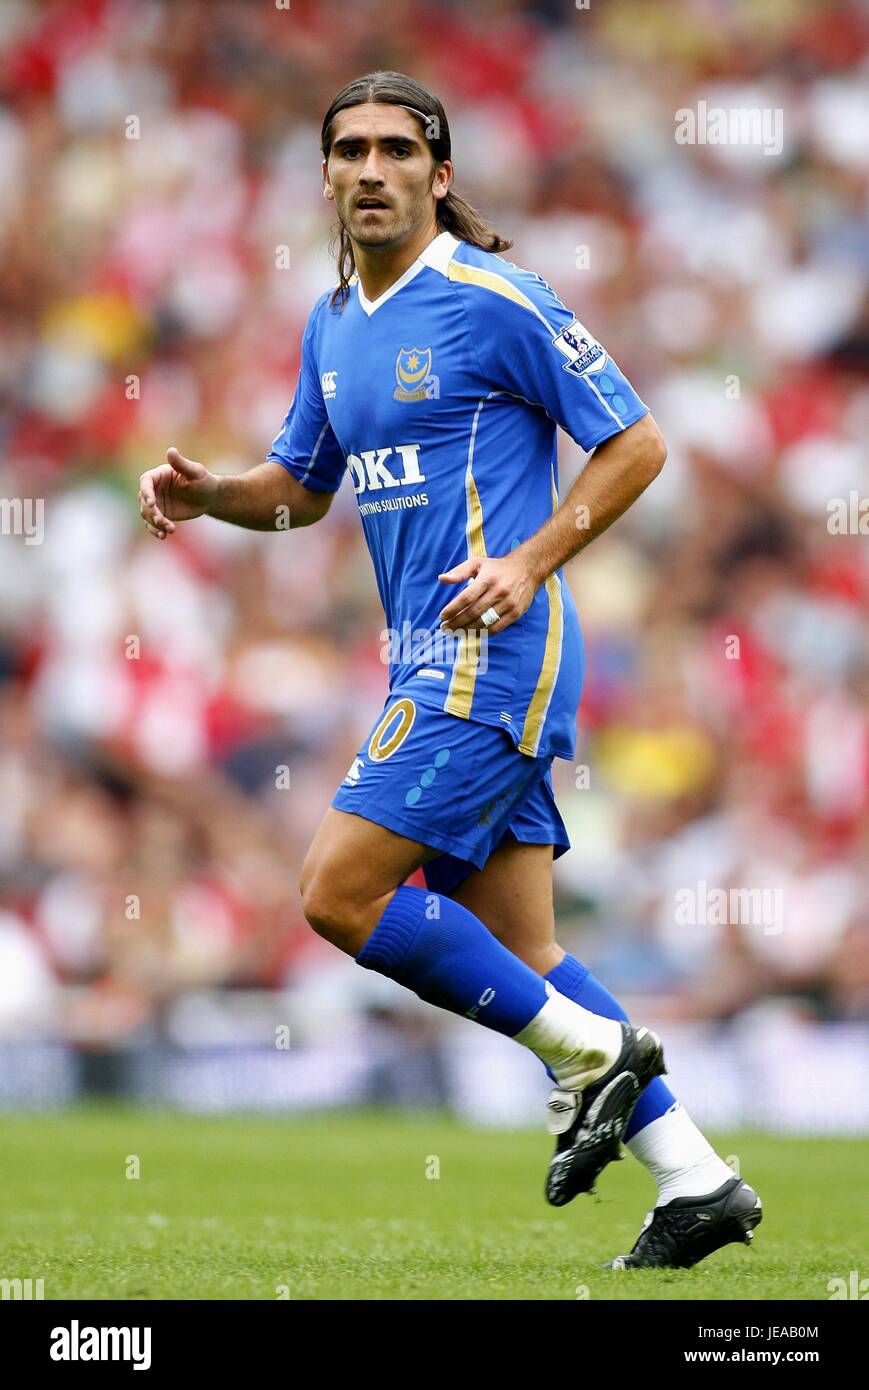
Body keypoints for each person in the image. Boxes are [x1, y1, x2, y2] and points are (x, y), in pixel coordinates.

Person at [138, 71, 762, 1269]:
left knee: (338, 892)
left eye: (394, 149)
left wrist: (528, 561)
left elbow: (635, 442)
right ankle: (696, 1180)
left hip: (493, 650)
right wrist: (217, 496)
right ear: (322, 176)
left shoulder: (492, 297)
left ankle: (588, 1056)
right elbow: (302, 493)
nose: (370, 169)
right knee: (523, 954)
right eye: (348, 151)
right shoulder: (332, 322)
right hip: (419, 663)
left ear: (439, 171)